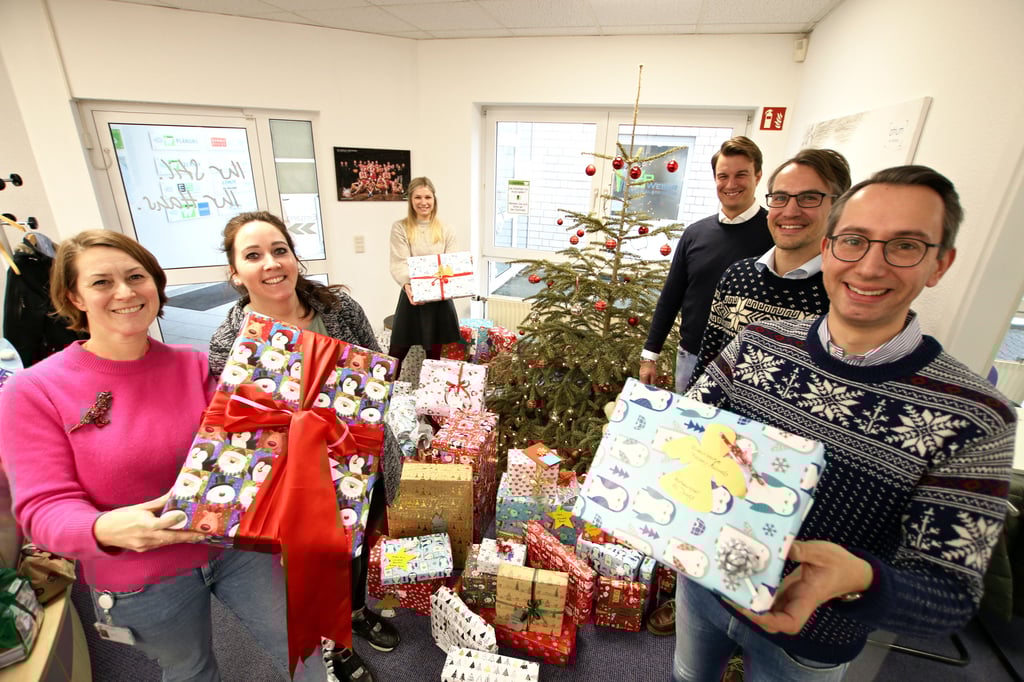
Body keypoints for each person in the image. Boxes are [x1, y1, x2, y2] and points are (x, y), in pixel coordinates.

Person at [673, 166, 1017, 681]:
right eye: (853, 241)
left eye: (905, 246)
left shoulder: (974, 416)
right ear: (829, 248)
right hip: (704, 588)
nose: (871, 266)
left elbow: (950, 595)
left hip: (813, 637)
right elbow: (688, 437)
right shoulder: (755, 346)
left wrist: (860, 578)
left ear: (940, 264)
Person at [0, 229, 325, 682]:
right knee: (190, 673)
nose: (126, 292)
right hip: (139, 572)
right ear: (73, 295)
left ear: (155, 284)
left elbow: (245, 448)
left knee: (303, 648)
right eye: (101, 282)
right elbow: (41, 508)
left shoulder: (190, 364)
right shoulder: (32, 391)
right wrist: (103, 527)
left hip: (236, 547)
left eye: (136, 276)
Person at [208, 211, 401, 682]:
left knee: (356, 551)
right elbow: (236, 426)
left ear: (294, 257)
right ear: (235, 272)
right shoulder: (229, 340)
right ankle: (332, 647)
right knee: (311, 568)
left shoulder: (340, 310)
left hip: (358, 461)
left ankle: (355, 614)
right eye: (253, 255)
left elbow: (378, 377)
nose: (271, 263)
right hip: (291, 481)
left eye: (279, 250)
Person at [688, 149, 851, 389]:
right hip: (720, 425)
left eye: (808, 198)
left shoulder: (846, 293)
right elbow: (709, 361)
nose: (790, 211)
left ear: (837, 207)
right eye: (780, 197)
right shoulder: (737, 276)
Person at [640, 136, 775, 393]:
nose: (731, 184)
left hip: (751, 366)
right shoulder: (695, 234)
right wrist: (650, 355)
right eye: (723, 176)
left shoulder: (775, 235)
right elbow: (670, 298)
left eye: (741, 175)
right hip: (691, 358)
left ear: (757, 176)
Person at [387, 176, 461, 378]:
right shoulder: (400, 228)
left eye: (427, 197)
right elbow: (399, 262)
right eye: (418, 197)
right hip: (412, 298)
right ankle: (382, 399)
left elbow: (452, 264)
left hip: (440, 302)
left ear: (434, 199)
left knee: (434, 359)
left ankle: (431, 403)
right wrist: (408, 285)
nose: (423, 202)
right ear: (410, 200)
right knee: (395, 354)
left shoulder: (446, 229)